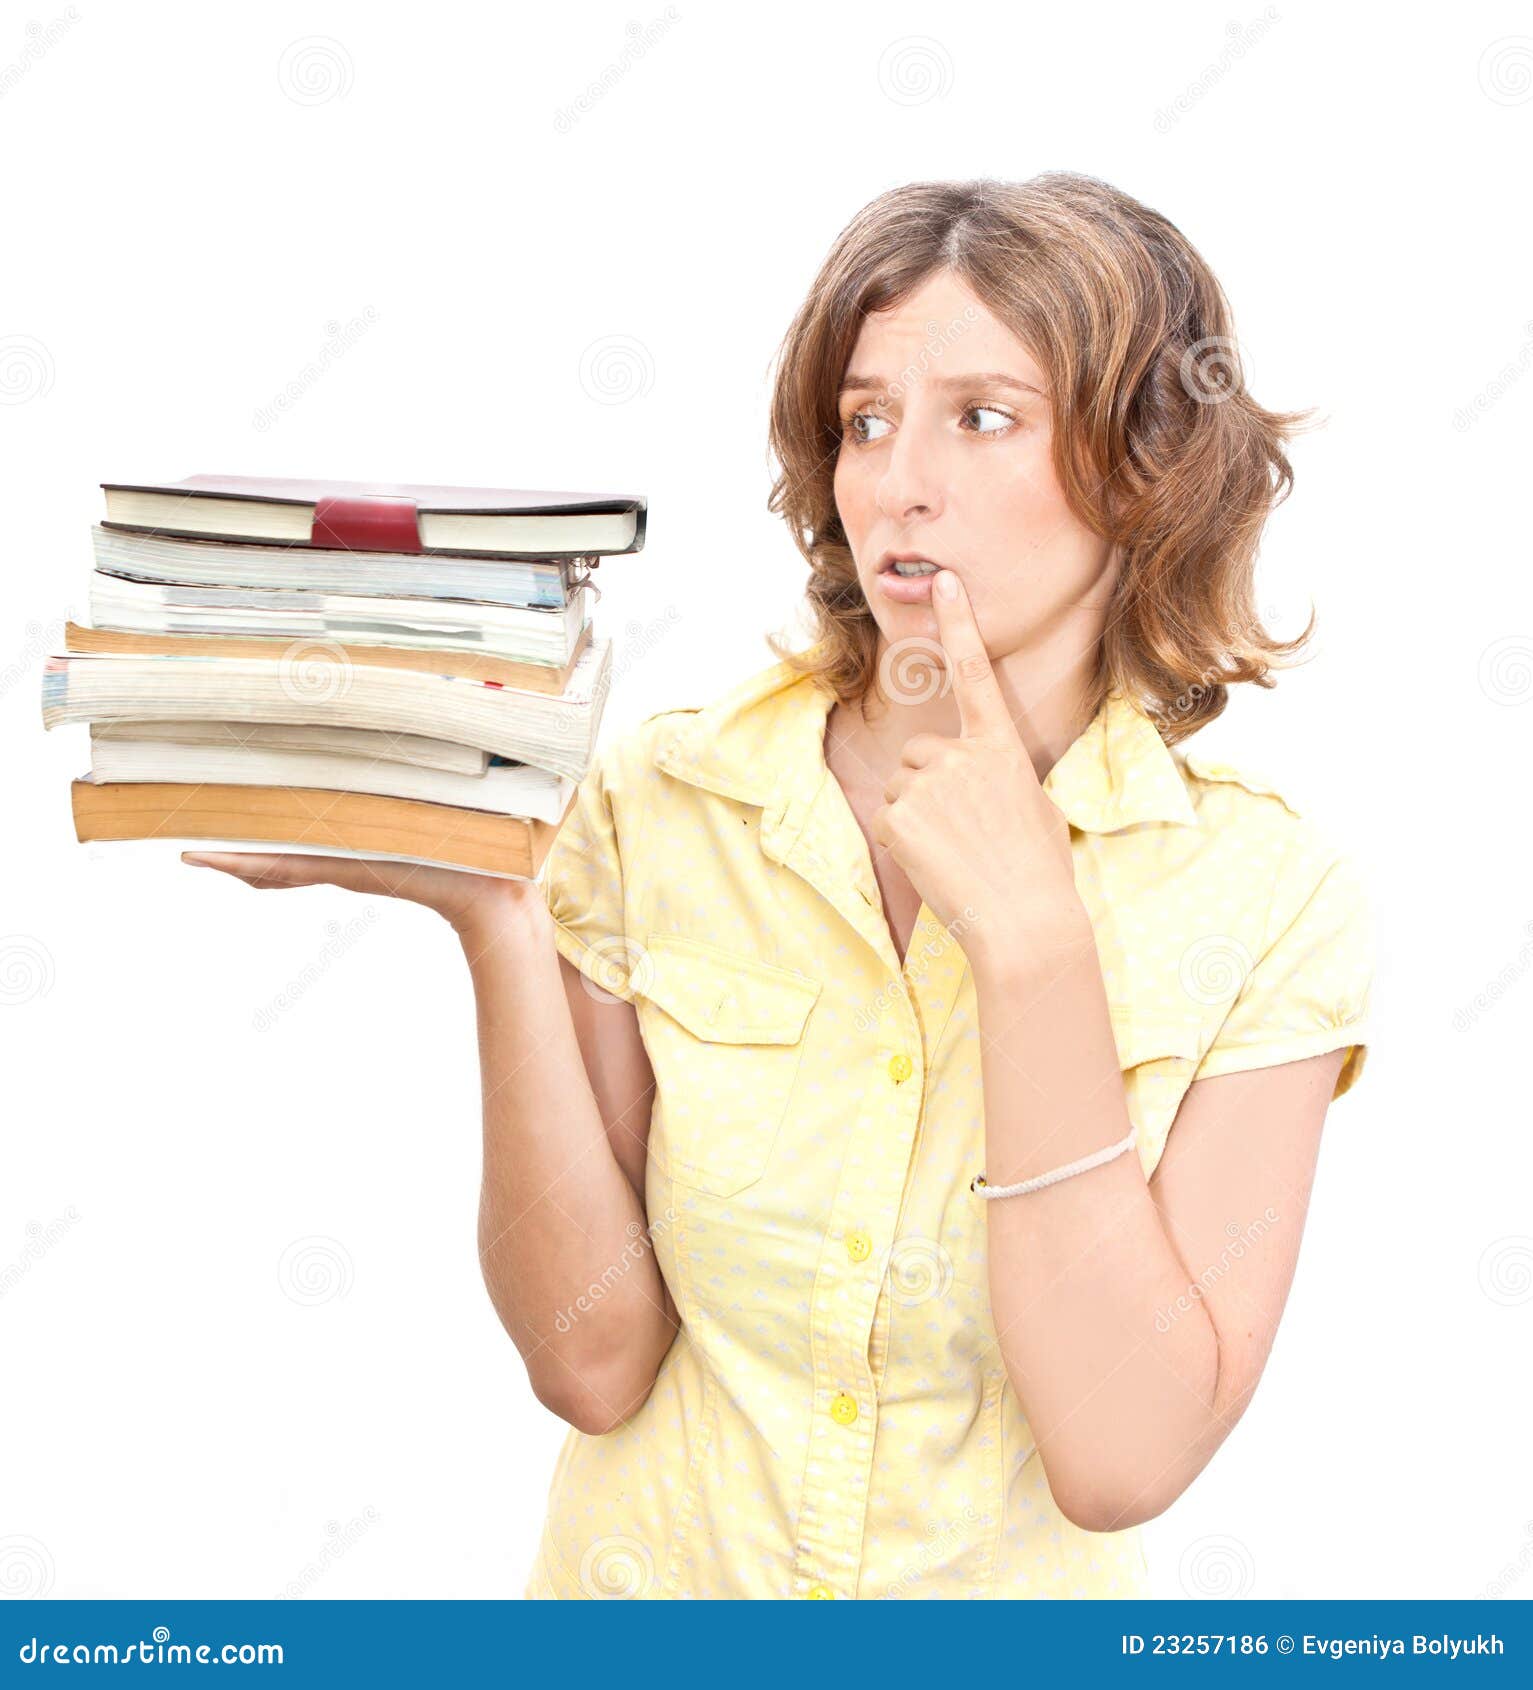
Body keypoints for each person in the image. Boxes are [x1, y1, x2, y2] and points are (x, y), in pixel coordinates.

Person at [182, 172, 1375, 1599]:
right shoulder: (667, 793)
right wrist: (497, 916)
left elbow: (1119, 1453)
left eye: (979, 417)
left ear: (1140, 467)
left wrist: (1032, 945)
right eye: (863, 420)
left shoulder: (1267, 892)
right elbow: (590, 1356)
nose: (895, 481)